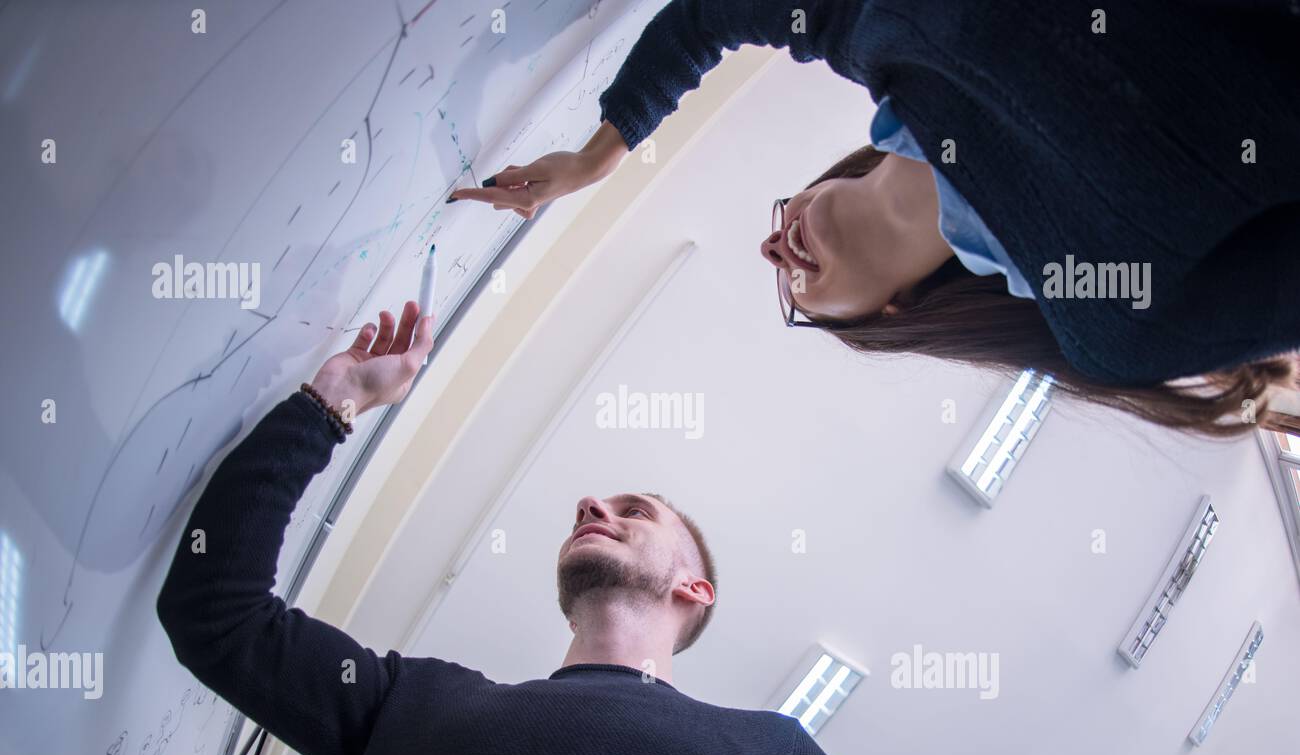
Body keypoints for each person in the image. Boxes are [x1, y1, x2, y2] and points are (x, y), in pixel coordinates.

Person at [156, 301, 870, 755]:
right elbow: (216, 612)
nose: (593, 502)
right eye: (597, 503)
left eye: (637, 511)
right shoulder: (417, 703)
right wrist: (329, 406)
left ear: (694, 588)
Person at [449, 0, 1300, 437]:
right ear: (888, 317)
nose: (769, 251)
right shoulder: (1108, 318)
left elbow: (714, 12)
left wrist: (597, 156)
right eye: (793, 297)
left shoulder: (878, 37)